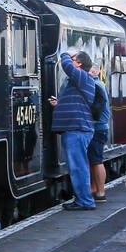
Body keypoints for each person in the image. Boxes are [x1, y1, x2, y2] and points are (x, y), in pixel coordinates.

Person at [47, 50, 97, 210]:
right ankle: (82, 199)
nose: (71, 61)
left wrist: (65, 54)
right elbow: (78, 102)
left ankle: (85, 202)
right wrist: (59, 104)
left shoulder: (83, 77)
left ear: (79, 63)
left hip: (77, 129)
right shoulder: (78, 82)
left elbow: (67, 66)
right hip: (75, 129)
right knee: (77, 166)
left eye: (74, 59)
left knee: (78, 167)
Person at [84, 55, 110, 201]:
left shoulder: (95, 86)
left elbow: (95, 110)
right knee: (93, 160)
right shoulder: (98, 84)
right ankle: (95, 189)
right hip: (99, 127)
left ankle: (100, 192)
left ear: (93, 72)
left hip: (97, 128)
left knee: (96, 160)